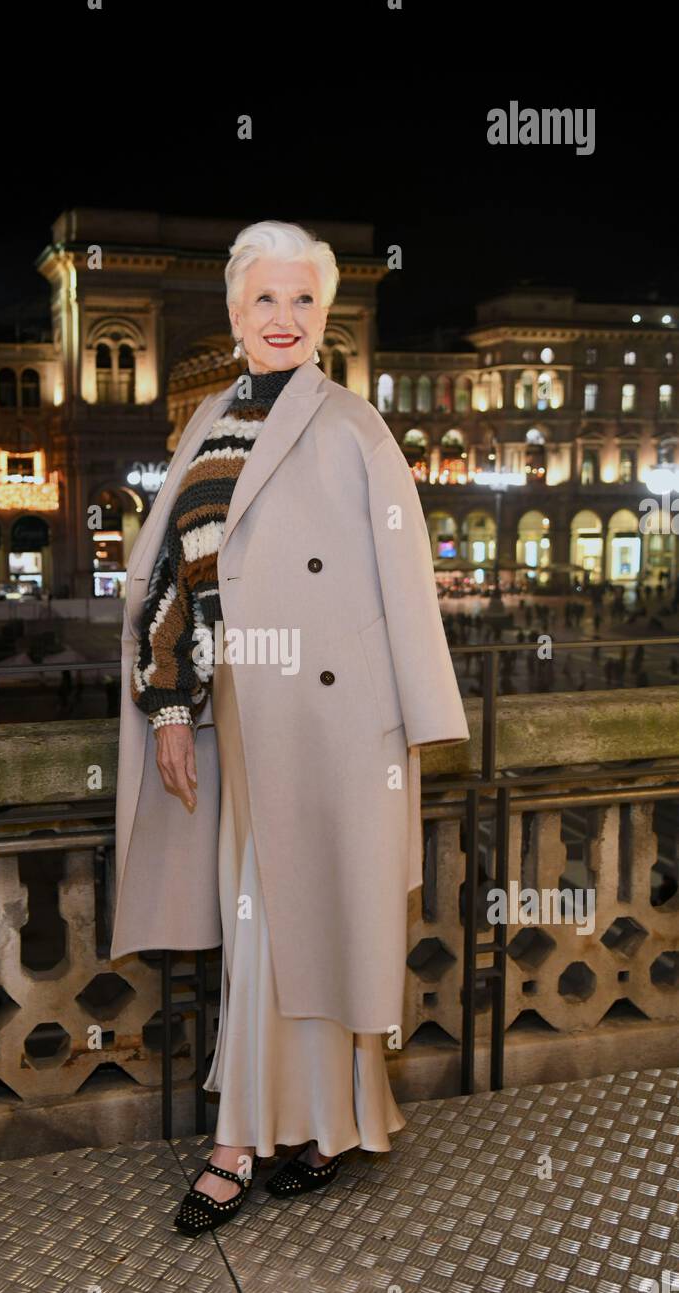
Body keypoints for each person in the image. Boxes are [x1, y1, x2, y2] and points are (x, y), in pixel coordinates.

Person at [110, 220, 470, 1236]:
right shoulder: (207, 420)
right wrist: (169, 704)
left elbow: (405, 583)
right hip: (241, 712)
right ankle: (298, 1125)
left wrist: (414, 722)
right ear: (235, 313)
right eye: (264, 299)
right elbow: (174, 572)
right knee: (261, 926)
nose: (283, 318)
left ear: (324, 315)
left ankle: (268, 1137)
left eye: (302, 299)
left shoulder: (356, 426)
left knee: (317, 922)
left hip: (339, 720)